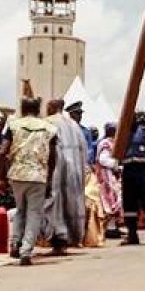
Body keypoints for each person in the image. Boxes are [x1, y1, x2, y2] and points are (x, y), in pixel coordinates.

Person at [1, 96, 57, 266]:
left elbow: (2, 152)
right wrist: (49, 179)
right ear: (38, 110)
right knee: (34, 213)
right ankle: (26, 251)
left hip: (17, 174)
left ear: (22, 109)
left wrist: (0, 178)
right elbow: (53, 157)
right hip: (38, 175)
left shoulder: (13, 126)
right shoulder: (49, 128)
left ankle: (15, 244)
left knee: (20, 210)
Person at [42, 98, 89, 253]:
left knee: (54, 205)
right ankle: (67, 238)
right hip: (73, 171)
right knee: (70, 203)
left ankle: (59, 240)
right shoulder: (74, 126)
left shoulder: (48, 123)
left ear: (52, 107)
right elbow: (84, 152)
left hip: (55, 169)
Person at [121, 111, 145, 246]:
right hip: (128, 172)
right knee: (129, 204)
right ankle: (132, 234)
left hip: (144, 173)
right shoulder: (123, 133)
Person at [95, 123, 124, 241]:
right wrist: (117, 165)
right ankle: (110, 228)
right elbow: (103, 160)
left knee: (116, 199)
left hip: (113, 176)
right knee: (110, 201)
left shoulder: (112, 142)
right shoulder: (105, 143)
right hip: (106, 177)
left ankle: (114, 226)